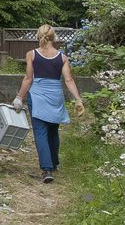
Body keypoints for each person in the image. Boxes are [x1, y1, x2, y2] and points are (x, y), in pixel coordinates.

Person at [12, 25, 84, 183]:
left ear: (38, 36)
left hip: (37, 96)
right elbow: (68, 80)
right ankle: (54, 163)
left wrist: (19, 97)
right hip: (55, 96)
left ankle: (46, 169)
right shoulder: (62, 57)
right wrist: (78, 99)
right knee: (53, 131)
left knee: (40, 132)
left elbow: (28, 78)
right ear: (54, 37)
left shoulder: (32, 55)